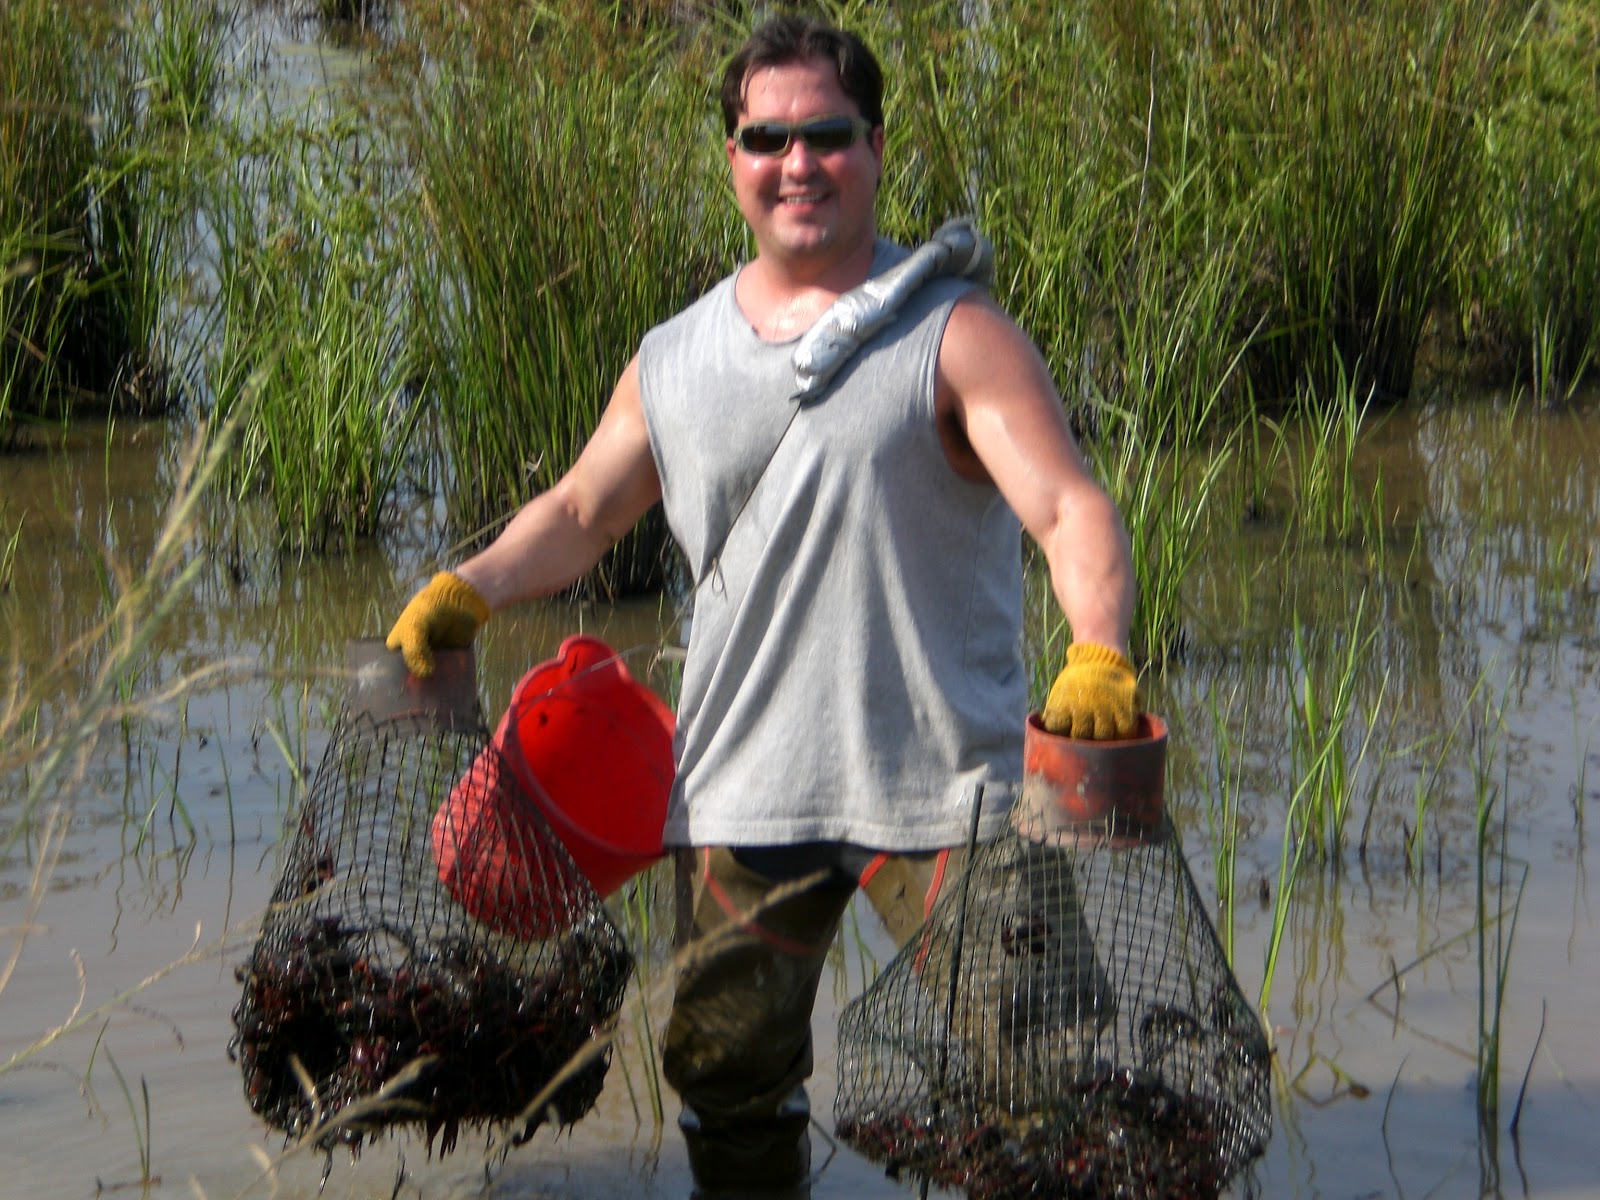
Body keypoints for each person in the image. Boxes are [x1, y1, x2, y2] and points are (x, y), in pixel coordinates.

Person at [387, 15, 1139, 1198]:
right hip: (743, 788)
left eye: (827, 136)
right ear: (731, 158)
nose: (798, 162)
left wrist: (1099, 650)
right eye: (767, 137)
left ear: (875, 148)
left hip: (948, 787)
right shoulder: (674, 356)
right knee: (726, 1084)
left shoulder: (955, 331)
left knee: (1047, 1074)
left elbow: (1067, 509)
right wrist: (466, 589)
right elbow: (583, 508)